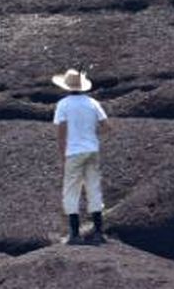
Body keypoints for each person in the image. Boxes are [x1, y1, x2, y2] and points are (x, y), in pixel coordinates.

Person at [52, 68, 108, 245]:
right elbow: (107, 126)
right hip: (92, 150)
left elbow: (61, 133)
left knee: (71, 190)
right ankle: (99, 231)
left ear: (67, 87)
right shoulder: (92, 103)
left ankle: (74, 234)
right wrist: (91, 134)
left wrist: (62, 155)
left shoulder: (63, 104)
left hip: (74, 152)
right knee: (93, 187)